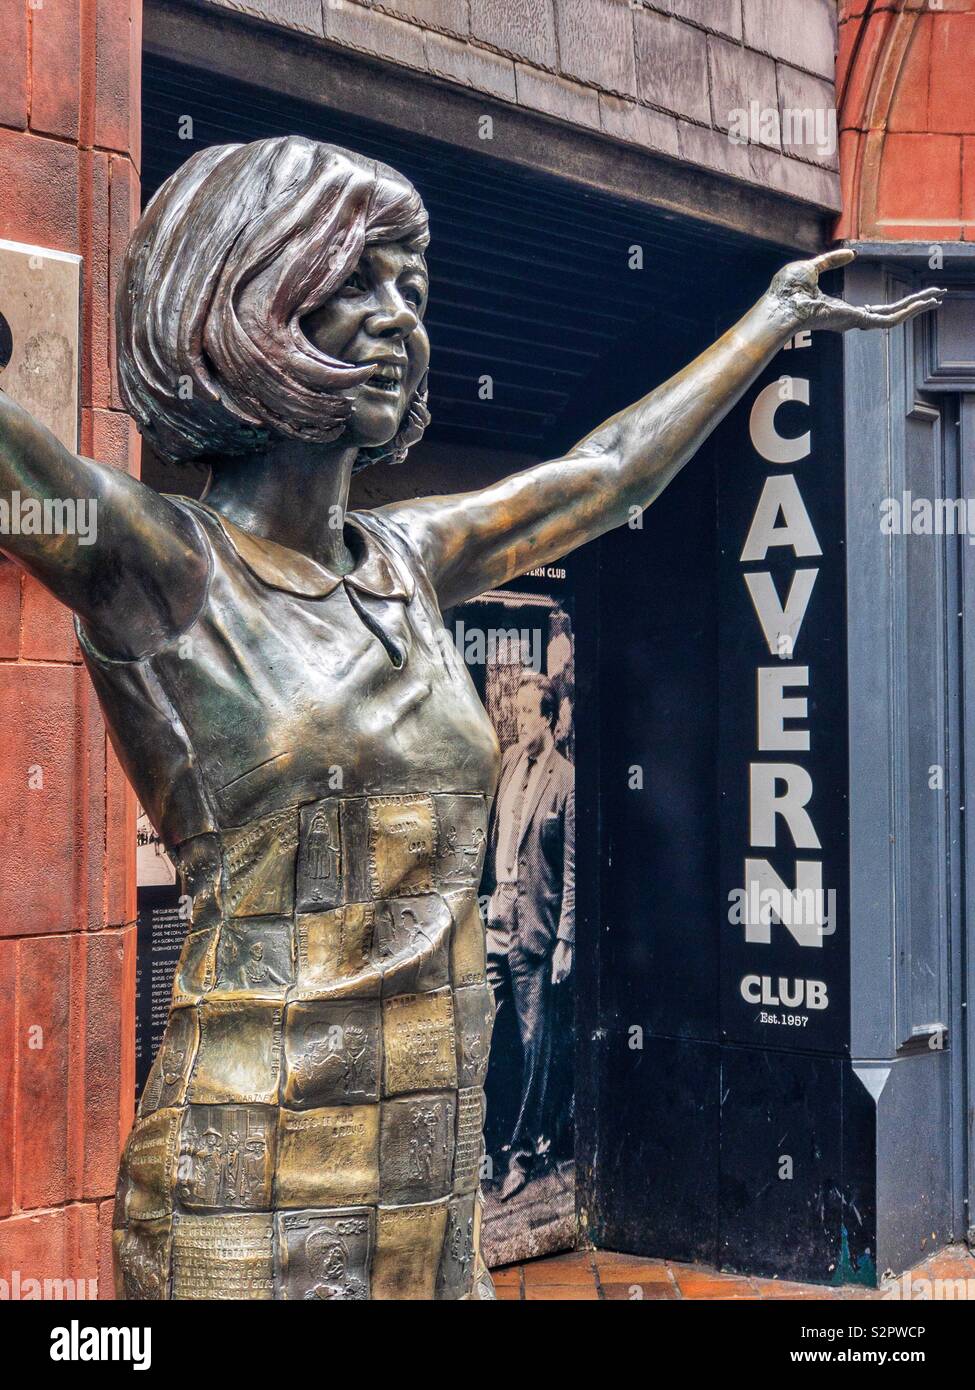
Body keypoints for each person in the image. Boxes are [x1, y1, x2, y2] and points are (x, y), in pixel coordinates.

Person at [0, 135, 942, 1299]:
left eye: (412, 287)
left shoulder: (406, 562)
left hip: (432, 1179)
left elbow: (608, 479)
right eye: (357, 281)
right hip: (250, 1177)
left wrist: (774, 319)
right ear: (242, 296)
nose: (400, 317)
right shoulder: (166, 574)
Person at [484, 671, 574, 1200]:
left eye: (526, 714)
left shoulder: (565, 778)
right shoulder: (510, 764)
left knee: (532, 1044)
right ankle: (491, 1146)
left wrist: (566, 938)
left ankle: (521, 1156)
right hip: (496, 913)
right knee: (490, 1038)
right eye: (515, 713)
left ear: (549, 719)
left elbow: (571, 867)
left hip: (535, 927)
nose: (519, 723)